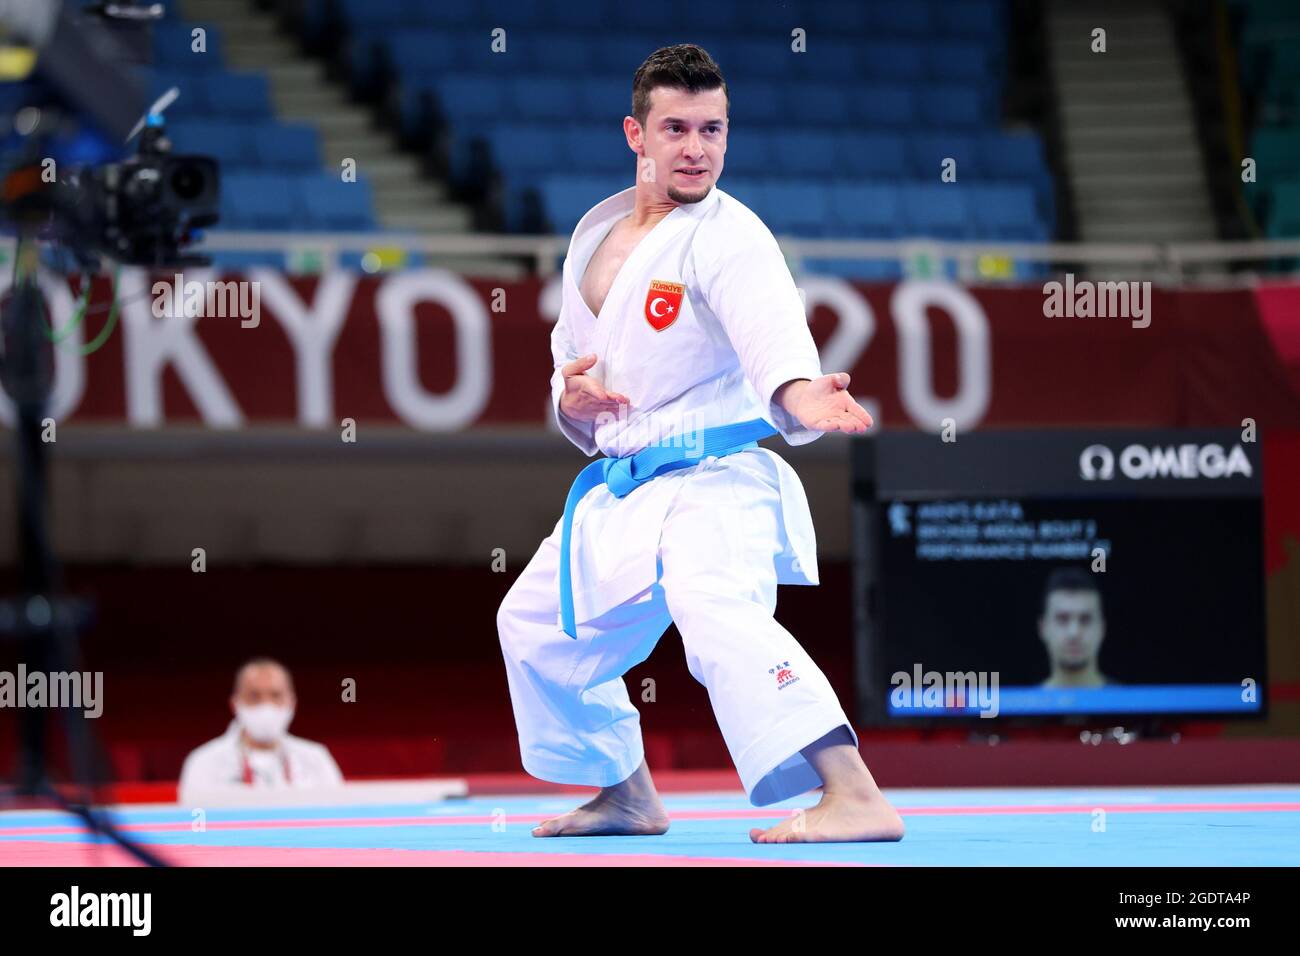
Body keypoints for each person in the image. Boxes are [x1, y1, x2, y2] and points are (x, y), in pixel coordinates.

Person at [497, 45, 903, 843]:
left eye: (712, 129)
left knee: (713, 606)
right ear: (635, 135)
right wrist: (566, 395)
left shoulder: (730, 237)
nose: (697, 148)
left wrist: (800, 391)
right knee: (533, 627)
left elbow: (772, 337)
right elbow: (569, 361)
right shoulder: (593, 236)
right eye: (676, 128)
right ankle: (628, 793)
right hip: (627, 485)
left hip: (716, 479)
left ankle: (853, 792)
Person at [178, 657, 343, 804]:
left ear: (292, 702)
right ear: (235, 703)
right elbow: (195, 826)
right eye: (254, 696)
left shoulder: (317, 758)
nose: (266, 705)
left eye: (276, 695)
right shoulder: (204, 762)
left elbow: (337, 818)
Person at [1038, 568, 1114, 688]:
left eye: (1085, 619)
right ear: (1043, 628)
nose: (1074, 632)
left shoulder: (1134, 705)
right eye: (1062, 619)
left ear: (1102, 629)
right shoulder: (1020, 706)